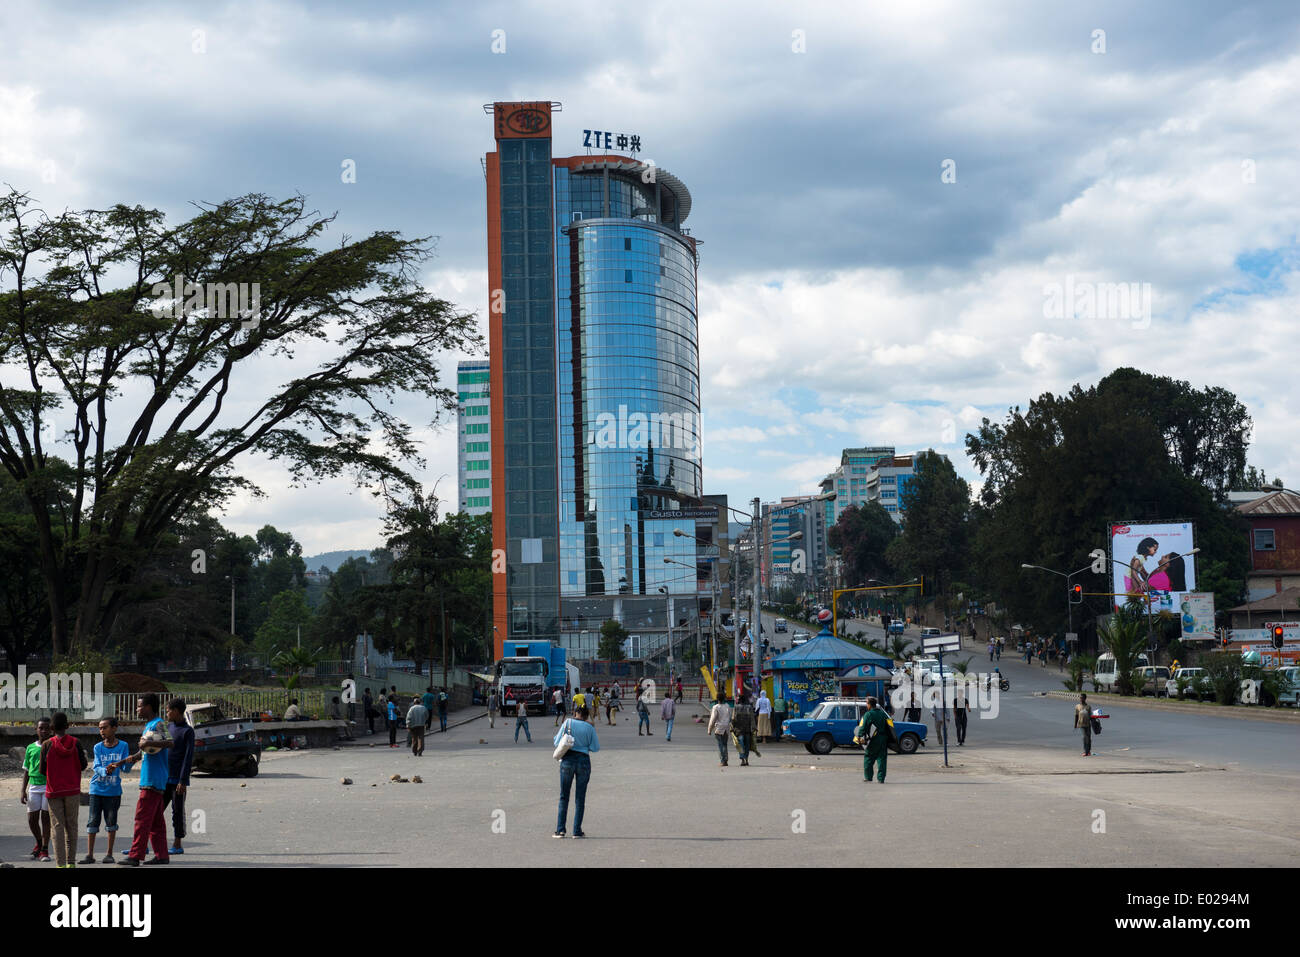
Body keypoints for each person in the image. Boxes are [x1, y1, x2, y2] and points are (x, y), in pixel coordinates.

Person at [114, 693, 173, 865]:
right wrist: (129, 759)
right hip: (155, 780)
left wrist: (147, 744)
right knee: (156, 822)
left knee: (142, 819)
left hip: (152, 780)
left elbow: (170, 742)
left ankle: (135, 856)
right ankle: (162, 855)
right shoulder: (149, 725)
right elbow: (145, 751)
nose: (137, 709)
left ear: (148, 707)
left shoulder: (158, 723)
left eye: (139, 706)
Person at [40, 712, 88, 867]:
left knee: (57, 827)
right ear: (67, 726)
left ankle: (60, 864)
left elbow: (42, 770)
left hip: (54, 791)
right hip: (72, 790)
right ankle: (71, 862)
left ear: (51, 727)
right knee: (72, 826)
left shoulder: (47, 744)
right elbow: (83, 765)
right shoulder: (76, 743)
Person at [83, 717, 129, 864]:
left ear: (114, 728)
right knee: (92, 822)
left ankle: (109, 854)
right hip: (96, 789)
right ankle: (90, 855)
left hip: (113, 791)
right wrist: (105, 771)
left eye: (105, 727)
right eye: (100, 728)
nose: (102, 730)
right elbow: (96, 766)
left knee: (111, 823)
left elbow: (126, 769)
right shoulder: (98, 747)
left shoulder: (123, 746)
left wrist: (129, 761)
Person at [553, 706, 600, 838]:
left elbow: (556, 741)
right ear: (586, 716)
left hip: (567, 760)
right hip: (584, 761)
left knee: (564, 796)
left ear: (575, 713)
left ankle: (560, 830)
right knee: (580, 798)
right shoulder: (589, 727)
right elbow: (595, 747)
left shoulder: (567, 723)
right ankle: (577, 831)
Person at [162, 699, 195, 856]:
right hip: (163, 779)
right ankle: (147, 843)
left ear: (176, 711)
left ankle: (177, 843)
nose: (167, 713)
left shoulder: (188, 731)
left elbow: (188, 758)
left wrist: (182, 780)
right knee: (155, 812)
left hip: (178, 781)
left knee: (177, 811)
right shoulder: (168, 727)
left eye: (168, 710)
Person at [21, 717, 53, 861]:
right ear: (36, 729)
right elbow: (26, 770)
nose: (44, 731)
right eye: (41, 728)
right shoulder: (30, 747)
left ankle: (45, 849)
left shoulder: (53, 745)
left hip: (49, 786)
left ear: (51, 730)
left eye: (47, 728)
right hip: (34, 786)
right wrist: (23, 790)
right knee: (32, 819)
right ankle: (39, 843)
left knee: (46, 819)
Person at [855, 697, 891, 783]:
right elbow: (890, 726)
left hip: (873, 740)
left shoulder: (868, 714)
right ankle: (881, 779)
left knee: (868, 758)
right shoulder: (883, 713)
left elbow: (863, 727)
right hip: (883, 739)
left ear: (870, 704)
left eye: (867, 703)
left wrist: (859, 736)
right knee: (882, 759)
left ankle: (868, 777)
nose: (866, 705)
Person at [732, 693, 759, 765]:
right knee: (747, 745)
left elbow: (733, 718)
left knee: (741, 744)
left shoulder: (736, 707)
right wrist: (754, 728)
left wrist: (732, 727)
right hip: (747, 730)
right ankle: (746, 759)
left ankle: (742, 759)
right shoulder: (749, 707)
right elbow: (752, 719)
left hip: (739, 730)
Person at [706, 695, 732, 768]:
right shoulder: (727, 706)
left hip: (719, 729)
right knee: (725, 744)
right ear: (724, 699)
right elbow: (730, 717)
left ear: (717, 699)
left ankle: (722, 761)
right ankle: (726, 760)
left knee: (720, 745)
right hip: (726, 728)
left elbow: (713, 719)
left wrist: (709, 729)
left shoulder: (716, 707)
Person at [1074, 692, 1092, 757]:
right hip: (1081, 724)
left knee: (1089, 738)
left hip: (1088, 724)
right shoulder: (1077, 706)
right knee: (1085, 737)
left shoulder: (1088, 707)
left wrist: (1093, 724)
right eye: (1080, 698)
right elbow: (1076, 716)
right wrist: (1075, 725)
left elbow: (1091, 716)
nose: (1081, 699)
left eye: (1082, 698)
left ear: (1085, 698)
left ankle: (1088, 751)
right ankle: (1085, 751)